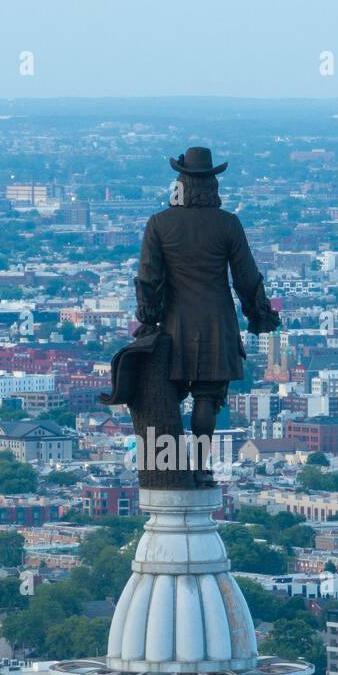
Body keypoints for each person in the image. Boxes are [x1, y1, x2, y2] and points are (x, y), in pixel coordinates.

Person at [132, 146, 281, 485]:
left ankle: (166, 464)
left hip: (173, 323)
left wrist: (148, 318)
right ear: (212, 185)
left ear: (180, 184)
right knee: (207, 397)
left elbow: (149, 278)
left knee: (167, 394)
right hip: (217, 322)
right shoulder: (227, 224)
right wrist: (258, 315)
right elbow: (247, 278)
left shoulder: (160, 223)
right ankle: (201, 466)